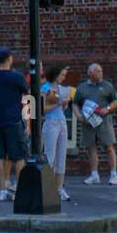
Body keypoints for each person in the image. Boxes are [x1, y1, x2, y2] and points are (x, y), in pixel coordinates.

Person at [0, 47, 28, 201]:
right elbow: (27, 94)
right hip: (13, 120)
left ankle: (2, 190)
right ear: (10, 58)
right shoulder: (16, 77)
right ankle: (20, 188)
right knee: (19, 156)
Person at [73, 63, 117, 185]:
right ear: (90, 73)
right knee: (91, 148)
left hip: (104, 122)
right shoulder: (82, 87)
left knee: (109, 147)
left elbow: (116, 101)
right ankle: (94, 174)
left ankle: (114, 174)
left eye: (101, 71)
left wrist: (108, 108)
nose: (101, 73)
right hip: (88, 122)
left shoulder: (107, 86)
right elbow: (75, 103)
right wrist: (78, 115)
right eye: (98, 71)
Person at [40, 64, 72, 200]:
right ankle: (48, 187)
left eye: (65, 75)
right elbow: (42, 110)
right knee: (50, 155)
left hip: (61, 121)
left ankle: (59, 188)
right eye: (62, 75)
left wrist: (64, 103)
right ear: (55, 74)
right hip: (51, 122)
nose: (63, 78)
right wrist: (59, 103)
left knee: (61, 156)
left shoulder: (59, 88)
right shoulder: (45, 88)